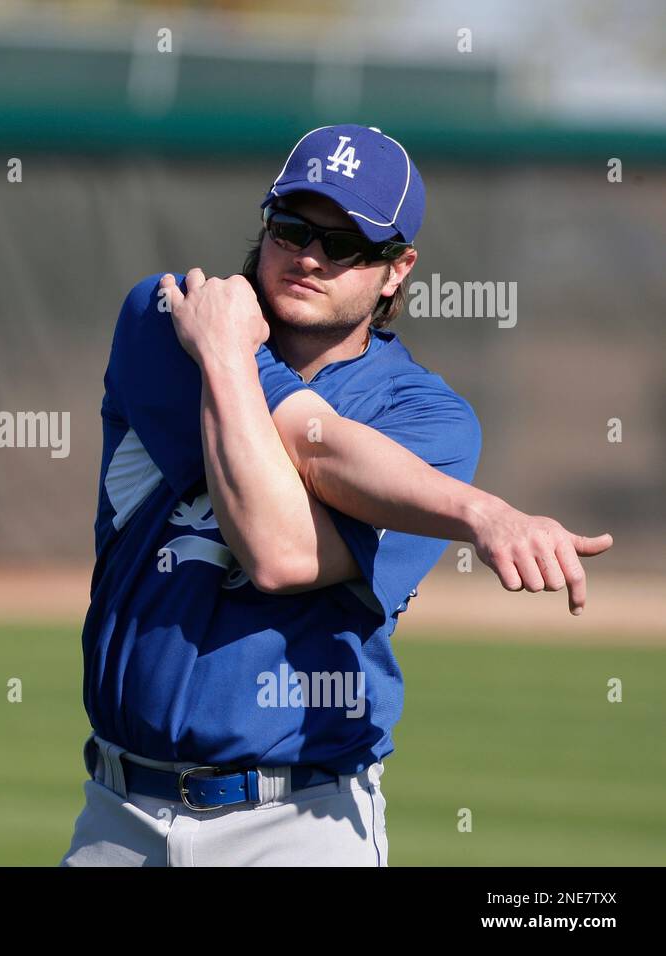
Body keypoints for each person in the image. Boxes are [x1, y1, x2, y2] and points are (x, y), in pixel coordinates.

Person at [61, 124, 612, 867]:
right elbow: (307, 442)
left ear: (396, 270)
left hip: (299, 824)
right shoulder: (170, 318)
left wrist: (225, 360)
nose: (310, 256)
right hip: (118, 813)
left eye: (346, 242)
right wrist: (474, 510)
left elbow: (282, 553)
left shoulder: (429, 423)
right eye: (291, 227)